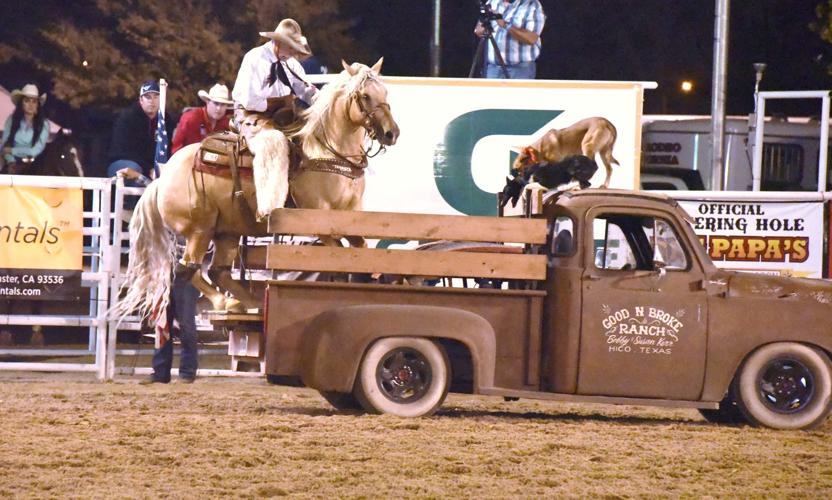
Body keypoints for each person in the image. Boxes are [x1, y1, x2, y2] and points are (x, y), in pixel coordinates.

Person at [121, 166, 201, 385]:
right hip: (165, 268)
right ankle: (162, 372)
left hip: (185, 270)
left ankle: (185, 372)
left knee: (185, 323)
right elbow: (155, 188)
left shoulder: (192, 205)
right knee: (162, 321)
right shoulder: (169, 200)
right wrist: (139, 177)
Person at [232, 18, 319, 113]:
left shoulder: (291, 64)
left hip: (280, 115)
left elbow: (304, 90)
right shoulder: (256, 58)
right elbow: (249, 101)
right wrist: (281, 103)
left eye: (295, 48)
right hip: (248, 114)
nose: (293, 52)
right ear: (278, 42)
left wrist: (320, 99)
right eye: (290, 47)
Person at [107, 80, 175, 186]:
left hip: (152, 166)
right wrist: (149, 169)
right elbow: (125, 151)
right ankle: (131, 203)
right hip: (123, 162)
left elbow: (167, 149)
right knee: (134, 169)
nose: (152, 101)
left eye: (156, 97)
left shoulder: (166, 120)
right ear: (141, 100)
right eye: (148, 97)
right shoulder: (128, 117)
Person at [474, 0, 546, 79]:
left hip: (520, 70)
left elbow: (531, 38)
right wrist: (482, 26)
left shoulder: (532, 5)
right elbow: (479, 29)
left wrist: (505, 25)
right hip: (493, 68)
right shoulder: (492, 2)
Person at [171, 83, 233, 155]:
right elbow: (176, 149)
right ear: (207, 102)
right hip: (188, 162)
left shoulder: (226, 124)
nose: (219, 108)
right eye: (216, 103)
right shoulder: (190, 119)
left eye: (223, 104)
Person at [1, 83, 49, 174]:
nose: (31, 104)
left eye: (34, 101)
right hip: (11, 164)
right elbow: (4, 145)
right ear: (21, 103)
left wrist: (12, 151)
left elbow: (35, 150)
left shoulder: (44, 124)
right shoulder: (12, 120)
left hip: (35, 167)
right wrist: (11, 161)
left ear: (37, 105)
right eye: (27, 101)